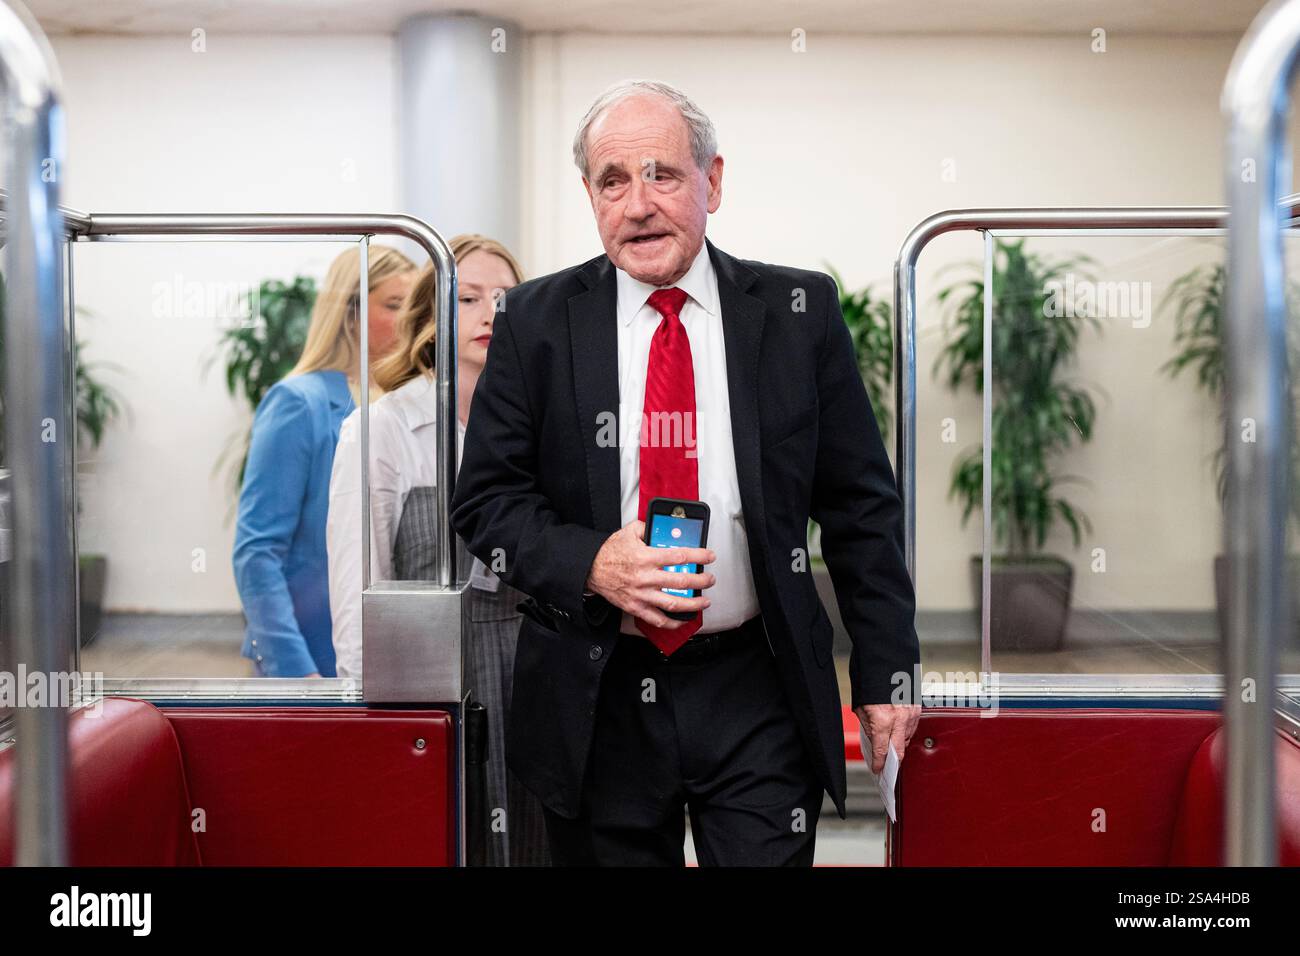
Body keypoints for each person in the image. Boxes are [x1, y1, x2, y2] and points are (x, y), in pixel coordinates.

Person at [451, 79, 923, 866]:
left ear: (712, 180)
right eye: (612, 181)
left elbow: (859, 508)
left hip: (757, 688)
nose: (637, 204)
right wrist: (594, 562)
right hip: (596, 695)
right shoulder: (534, 322)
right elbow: (488, 500)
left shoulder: (798, 313)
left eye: (662, 174)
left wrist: (888, 672)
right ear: (590, 197)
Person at [327, 234, 550, 865]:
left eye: (505, 299)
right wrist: (368, 721)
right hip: (431, 692)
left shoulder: (546, 427)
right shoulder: (381, 429)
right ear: (429, 320)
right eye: (469, 297)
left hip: (534, 687)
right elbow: (356, 590)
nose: (488, 314)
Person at [233, 245, 417, 677]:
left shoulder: (409, 406)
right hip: (315, 659)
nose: (411, 319)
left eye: (416, 306)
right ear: (351, 313)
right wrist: (297, 674)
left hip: (390, 654)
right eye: (394, 305)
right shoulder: (300, 404)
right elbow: (257, 552)